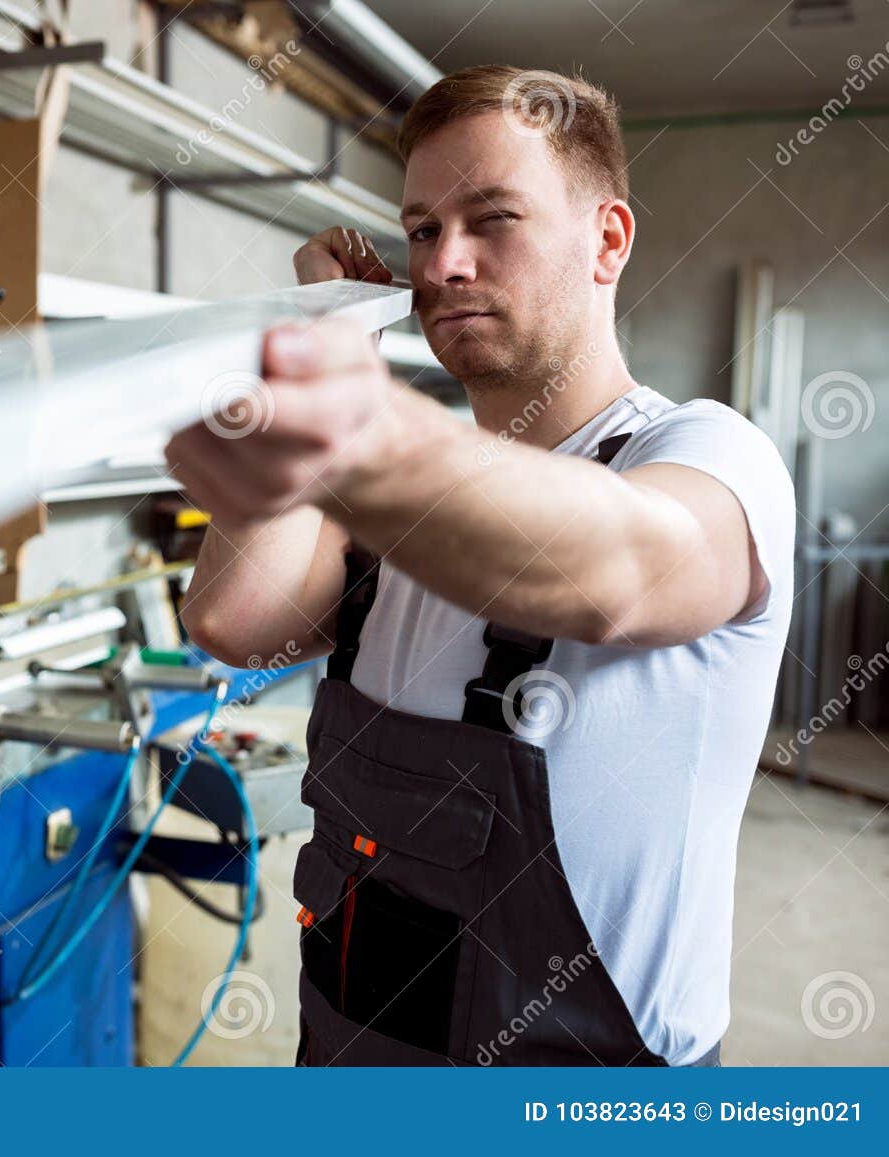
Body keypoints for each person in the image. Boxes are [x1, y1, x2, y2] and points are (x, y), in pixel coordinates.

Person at [165, 65, 794, 1067]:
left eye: (492, 219)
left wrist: (351, 428)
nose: (443, 263)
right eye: (420, 230)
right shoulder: (402, 495)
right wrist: (333, 328)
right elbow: (234, 620)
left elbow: (617, 573)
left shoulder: (706, 455)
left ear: (607, 240)